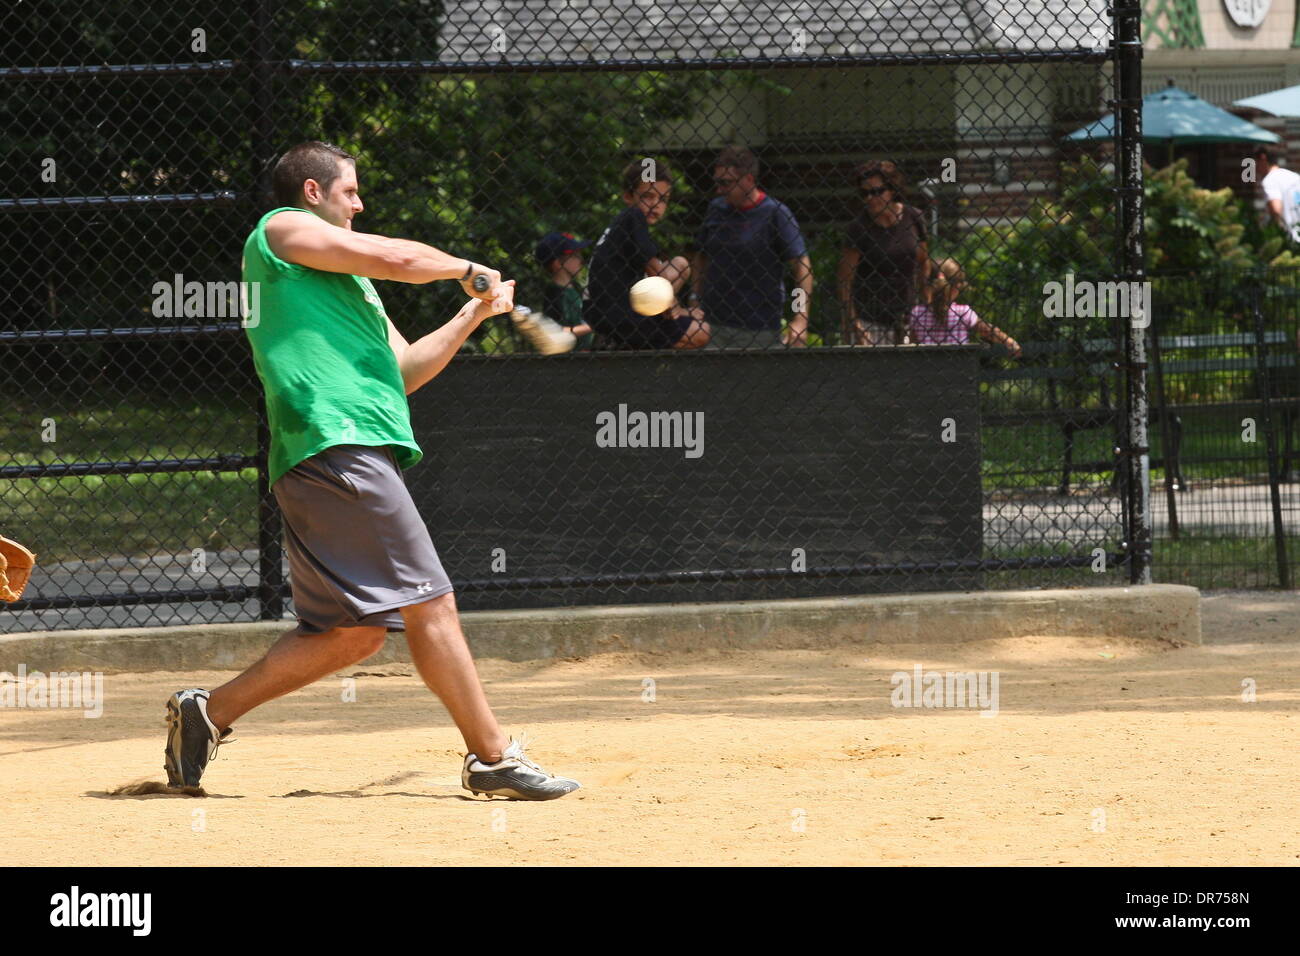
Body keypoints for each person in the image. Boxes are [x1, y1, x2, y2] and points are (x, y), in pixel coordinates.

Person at [163, 141, 580, 800]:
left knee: (349, 635)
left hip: (334, 451)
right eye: (350, 192)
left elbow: (406, 369)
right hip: (336, 443)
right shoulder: (280, 230)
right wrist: (464, 268)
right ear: (312, 192)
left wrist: (472, 312)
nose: (359, 203)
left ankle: (206, 714)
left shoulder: (346, 284)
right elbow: (397, 257)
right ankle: (492, 756)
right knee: (430, 601)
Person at [691, 145, 812, 348]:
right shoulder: (716, 209)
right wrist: (694, 299)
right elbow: (700, 256)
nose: (719, 189)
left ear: (748, 180)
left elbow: (802, 267)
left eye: (726, 182)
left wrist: (800, 317)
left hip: (759, 327)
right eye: (717, 182)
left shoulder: (775, 213)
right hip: (713, 325)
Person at [584, 157, 710, 350]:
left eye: (662, 199)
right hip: (618, 313)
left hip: (615, 306)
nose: (655, 204)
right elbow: (655, 272)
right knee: (702, 332)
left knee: (680, 263)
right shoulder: (633, 216)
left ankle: (637, 335)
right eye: (648, 196)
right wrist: (678, 310)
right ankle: (628, 342)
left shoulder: (624, 224)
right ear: (628, 196)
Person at [837, 160, 930, 345]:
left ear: (892, 190)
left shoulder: (914, 218)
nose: (870, 198)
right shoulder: (859, 228)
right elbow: (844, 280)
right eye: (865, 193)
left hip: (907, 316)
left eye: (877, 191)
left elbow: (923, 262)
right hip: (869, 319)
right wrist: (853, 323)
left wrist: (924, 308)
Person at [909, 258, 1021, 357]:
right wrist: (1009, 341)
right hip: (959, 369)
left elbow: (913, 344)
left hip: (925, 371)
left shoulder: (917, 312)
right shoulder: (963, 312)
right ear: (956, 287)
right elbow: (987, 330)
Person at [534, 230, 595, 350]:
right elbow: (555, 332)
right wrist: (594, 327)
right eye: (574, 256)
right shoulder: (554, 294)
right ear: (557, 263)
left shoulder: (575, 289)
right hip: (567, 362)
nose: (581, 260)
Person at [1254, 146, 1300, 243]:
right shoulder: (1294, 177)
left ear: (1263, 158)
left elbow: (1276, 210)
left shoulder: (1270, 180)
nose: (1256, 168)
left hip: (1290, 239)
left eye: (1256, 163)